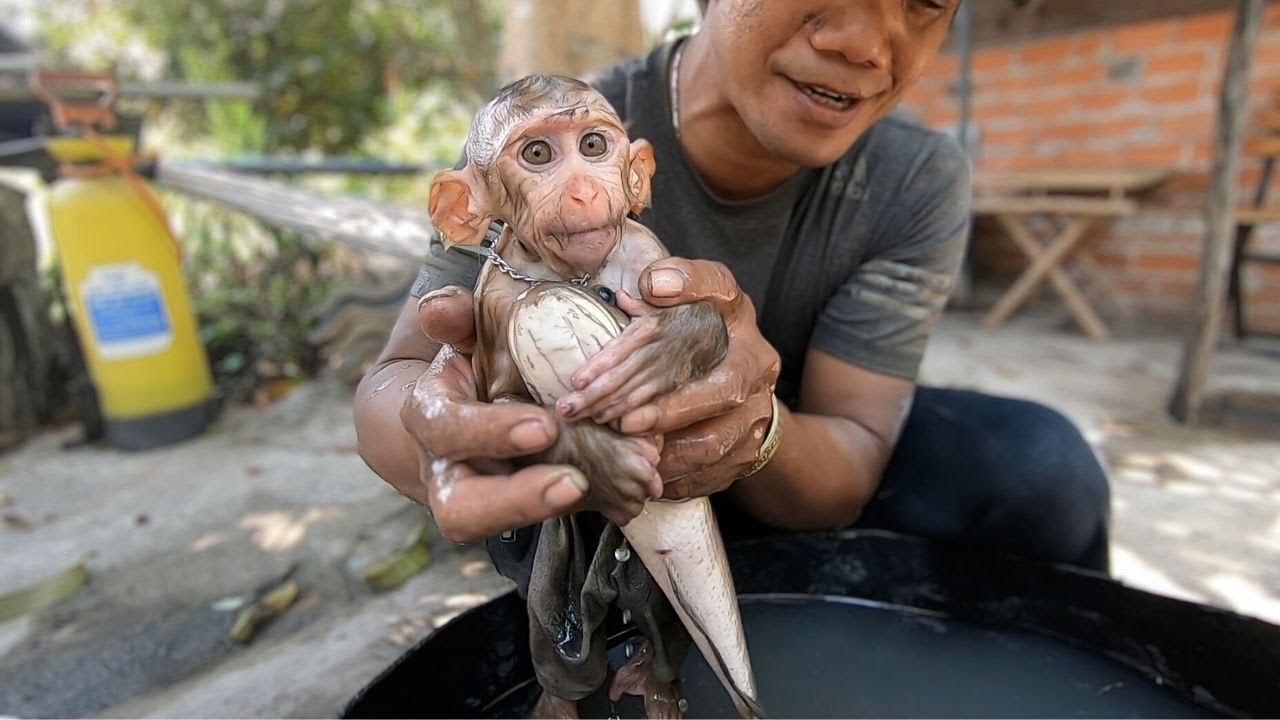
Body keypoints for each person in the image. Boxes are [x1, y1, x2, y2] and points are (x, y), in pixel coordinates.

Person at [353, 0, 1112, 575]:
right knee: (571, 567)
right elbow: (397, 382)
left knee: (1044, 472)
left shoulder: (914, 178)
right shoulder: (548, 141)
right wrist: (440, 434)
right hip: (596, 487)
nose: (865, 41)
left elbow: (847, 459)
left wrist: (752, 421)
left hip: (791, 463)